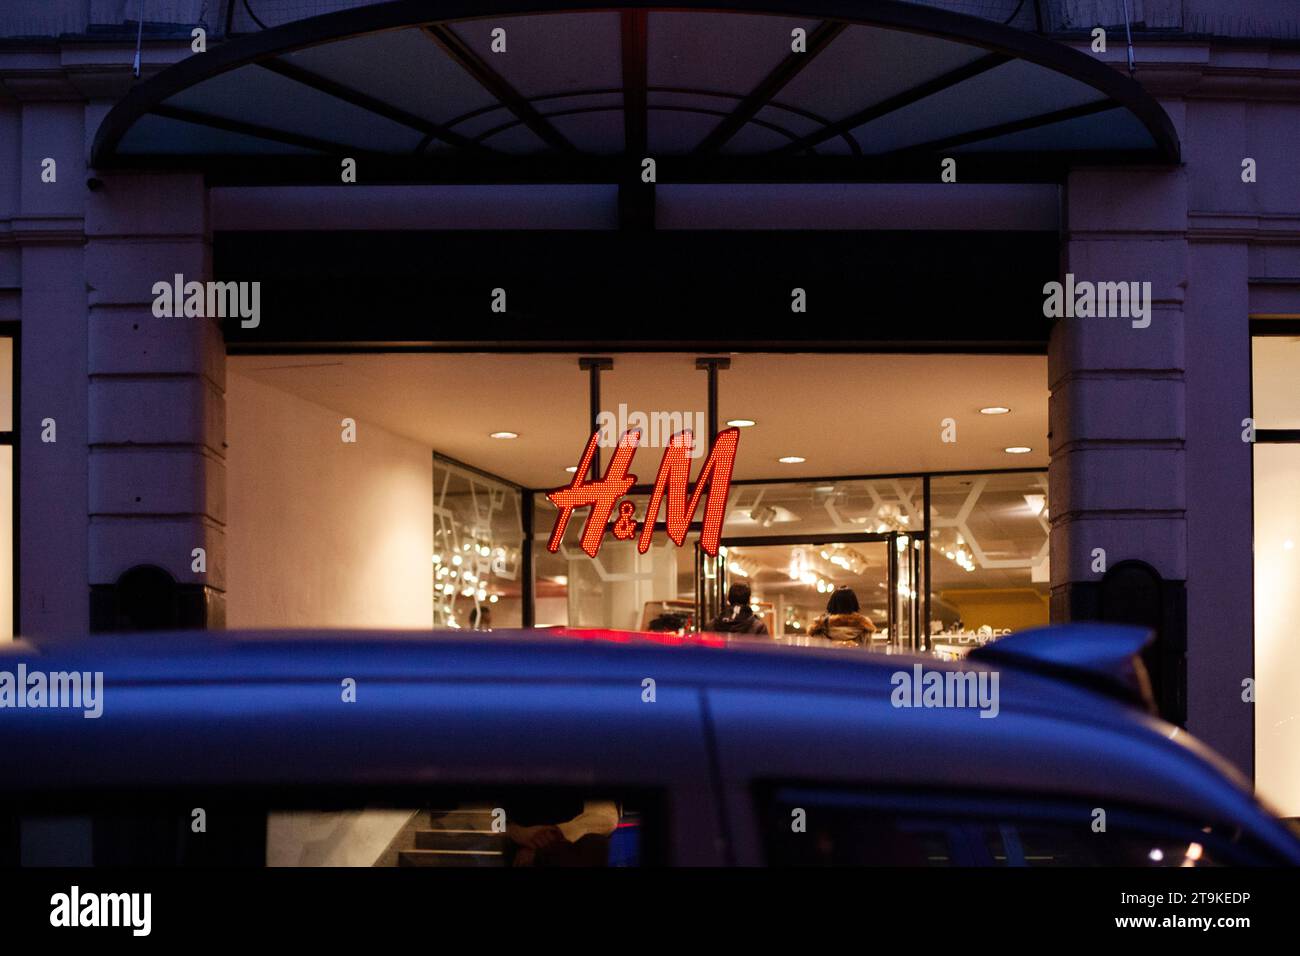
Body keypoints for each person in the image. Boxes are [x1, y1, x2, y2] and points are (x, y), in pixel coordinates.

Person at [809, 586, 877, 646]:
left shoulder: (820, 629)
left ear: (831, 604)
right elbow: (870, 654)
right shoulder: (864, 630)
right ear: (854, 604)